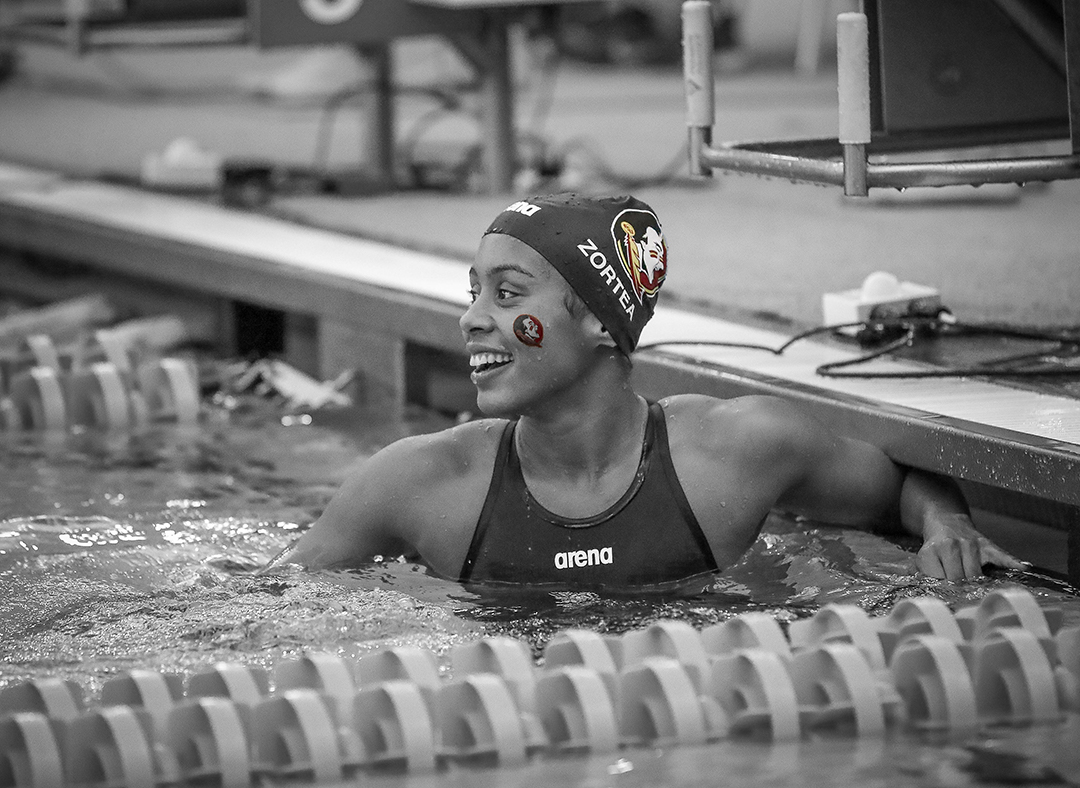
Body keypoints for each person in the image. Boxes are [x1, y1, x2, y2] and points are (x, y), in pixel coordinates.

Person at [271, 192, 1024, 588]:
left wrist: (946, 526)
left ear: (601, 322)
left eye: (507, 295)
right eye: (474, 293)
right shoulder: (419, 482)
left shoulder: (735, 452)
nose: (471, 319)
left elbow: (898, 489)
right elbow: (260, 598)